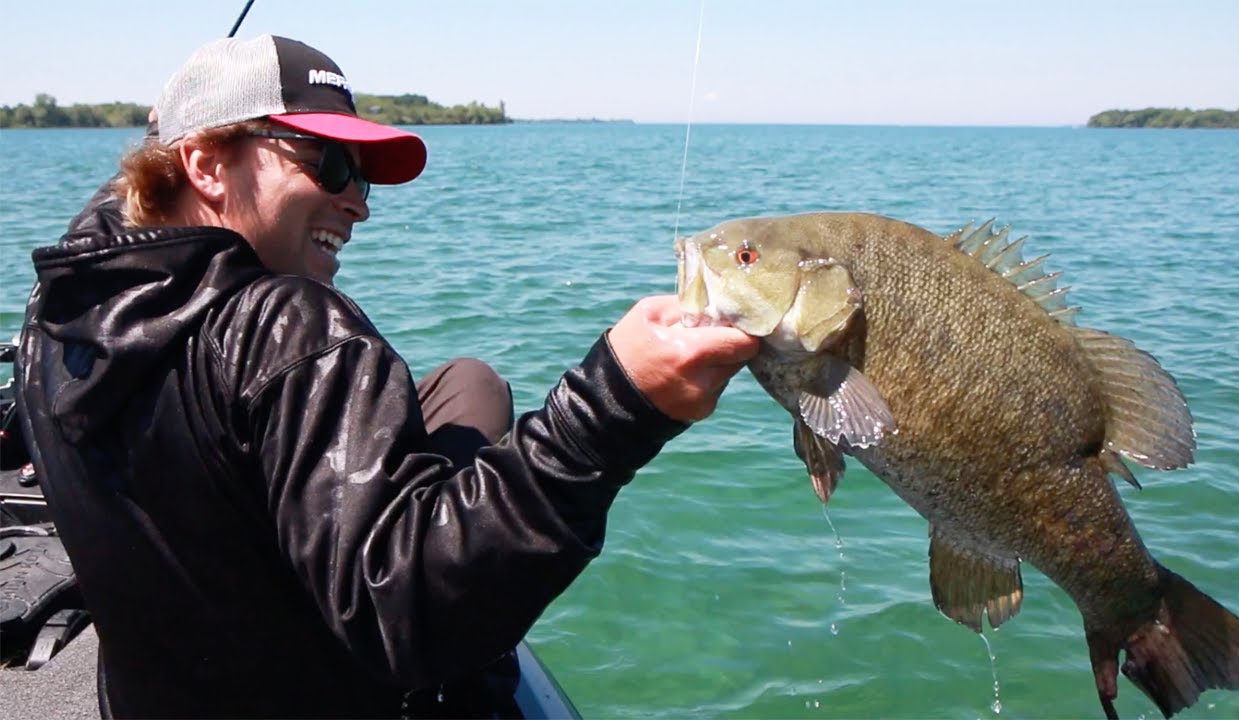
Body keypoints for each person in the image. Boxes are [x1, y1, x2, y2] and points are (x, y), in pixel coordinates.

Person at [15, 34, 758, 718]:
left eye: (364, 177)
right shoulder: (289, 329)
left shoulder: (58, 308)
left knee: (471, 386)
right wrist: (615, 404)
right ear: (206, 165)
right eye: (330, 164)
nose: (357, 204)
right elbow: (411, 616)